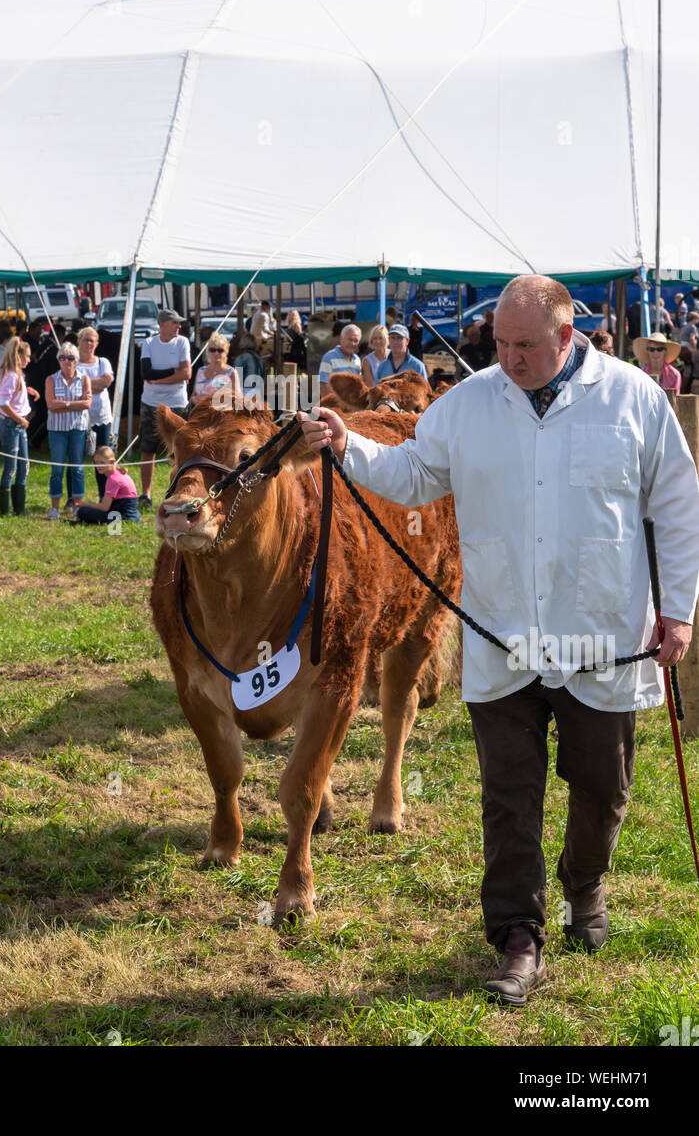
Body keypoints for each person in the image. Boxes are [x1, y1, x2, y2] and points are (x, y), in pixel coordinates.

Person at [300, 274, 699, 1007]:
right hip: (500, 628)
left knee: (602, 790)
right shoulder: (471, 401)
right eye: (501, 343)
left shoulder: (630, 397)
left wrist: (676, 610)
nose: (508, 359)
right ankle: (518, 936)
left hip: (600, 631)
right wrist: (346, 444)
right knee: (508, 795)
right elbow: (414, 472)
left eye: (525, 346)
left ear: (566, 337)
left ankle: (585, 884)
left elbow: (675, 500)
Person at [138, 309, 191, 510]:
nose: (179, 326)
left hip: (177, 403)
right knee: (147, 449)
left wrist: (157, 379)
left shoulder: (183, 342)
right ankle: (146, 493)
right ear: (162, 324)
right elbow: (146, 373)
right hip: (150, 403)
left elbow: (186, 373)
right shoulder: (149, 344)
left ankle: (178, 492)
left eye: (179, 323)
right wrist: (172, 373)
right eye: (174, 323)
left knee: (179, 450)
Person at [45, 343, 91, 518]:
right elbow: (51, 405)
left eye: (70, 358)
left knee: (77, 468)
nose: (66, 361)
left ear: (76, 361)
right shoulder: (51, 379)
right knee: (57, 468)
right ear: (58, 361)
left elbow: (87, 404)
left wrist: (63, 404)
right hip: (57, 430)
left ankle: (78, 507)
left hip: (77, 429)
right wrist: (74, 404)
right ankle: (55, 508)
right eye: (62, 358)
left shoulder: (84, 378)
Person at [76, 327, 115, 499]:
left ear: (97, 344)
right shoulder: (73, 362)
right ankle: (74, 496)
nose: (89, 343)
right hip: (79, 417)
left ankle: (104, 495)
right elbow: (73, 385)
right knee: (76, 459)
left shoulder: (103, 362)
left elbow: (106, 381)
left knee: (103, 459)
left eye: (92, 340)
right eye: (86, 339)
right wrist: (94, 385)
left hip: (102, 417)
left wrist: (84, 384)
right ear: (79, 341)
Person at [0, 336, 32, 516]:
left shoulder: (18, 375)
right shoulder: (11, 376)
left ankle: (20, 508)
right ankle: (5, 510)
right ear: (19, 356)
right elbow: (3, 403)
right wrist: (20, 419)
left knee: (24, 464)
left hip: (18, 424)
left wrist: (28, 390)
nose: (29, 360)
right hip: (11, 424)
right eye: (27, 356)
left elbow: (14, 396)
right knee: (11, 466)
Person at [74, 446, 141, 524]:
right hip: (132, 515)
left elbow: (105, 507)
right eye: (96, 462)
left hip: (122, 517)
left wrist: (87, 504)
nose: (98, 466)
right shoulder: (120, 473)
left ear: (112, 462)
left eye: (102, 462)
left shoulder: (113, 479)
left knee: (83, 511)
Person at [191, 334, 242, 405]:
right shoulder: (201, 371)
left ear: (225, 352)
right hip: (200, 413)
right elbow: (193, 395)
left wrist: (209, 398)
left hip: (222, 414)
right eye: (212, 350)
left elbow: (238, 399)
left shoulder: (231, 372)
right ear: (207, 352)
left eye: (220, 350)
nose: (216, 353)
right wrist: (194, 399)